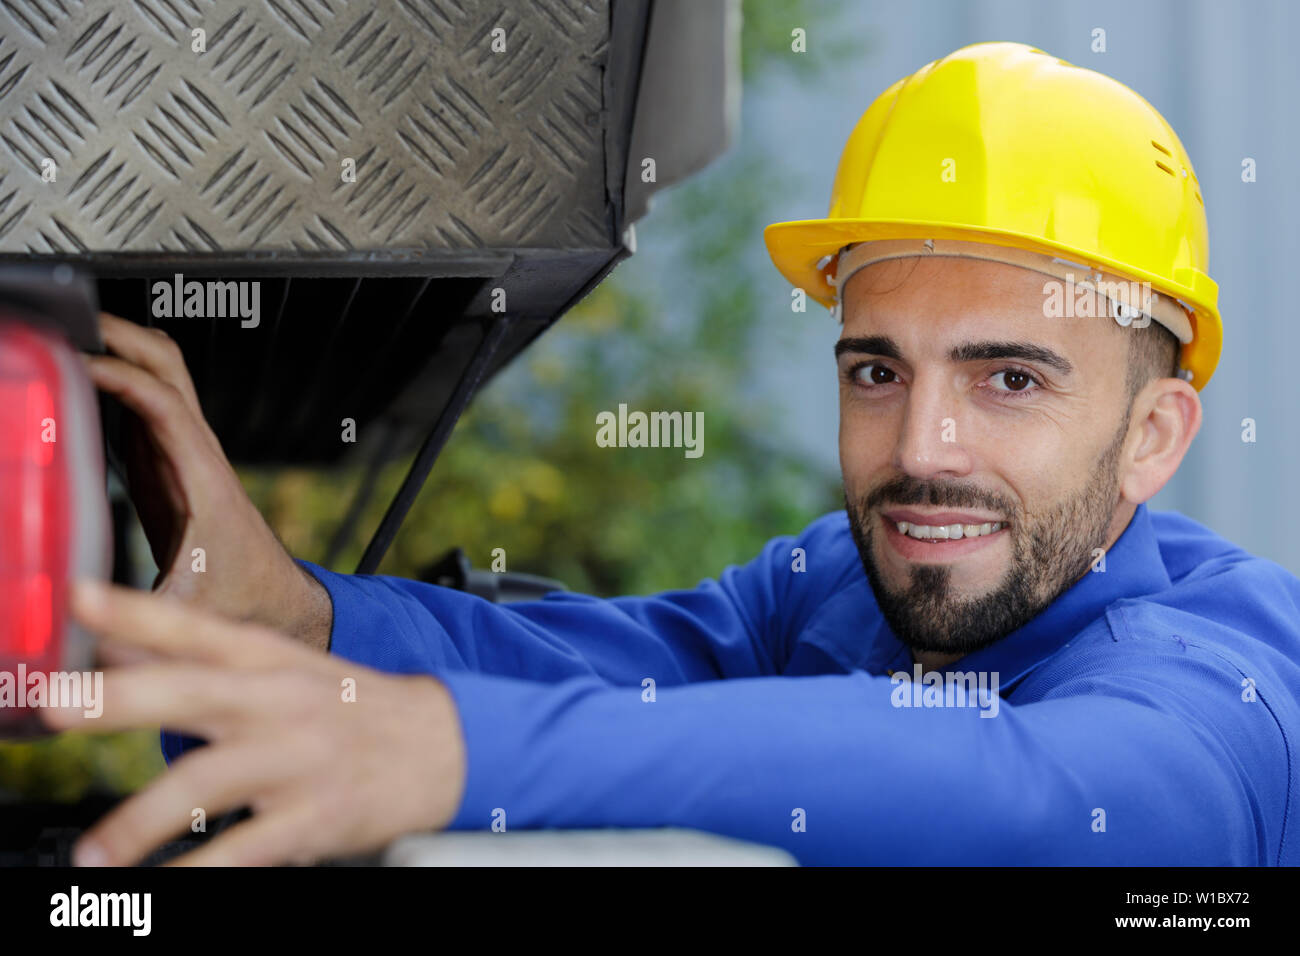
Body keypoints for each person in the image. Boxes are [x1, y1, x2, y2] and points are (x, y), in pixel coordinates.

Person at [49, 42, 1300, 866]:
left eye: (1009, 378)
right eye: (876, 370)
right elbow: (619, 667)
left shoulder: (1221, 692)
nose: (922, 449)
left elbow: (1035, 792)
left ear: (1151, 437)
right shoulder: (836, 590)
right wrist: (304, 617)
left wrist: (446, 747)